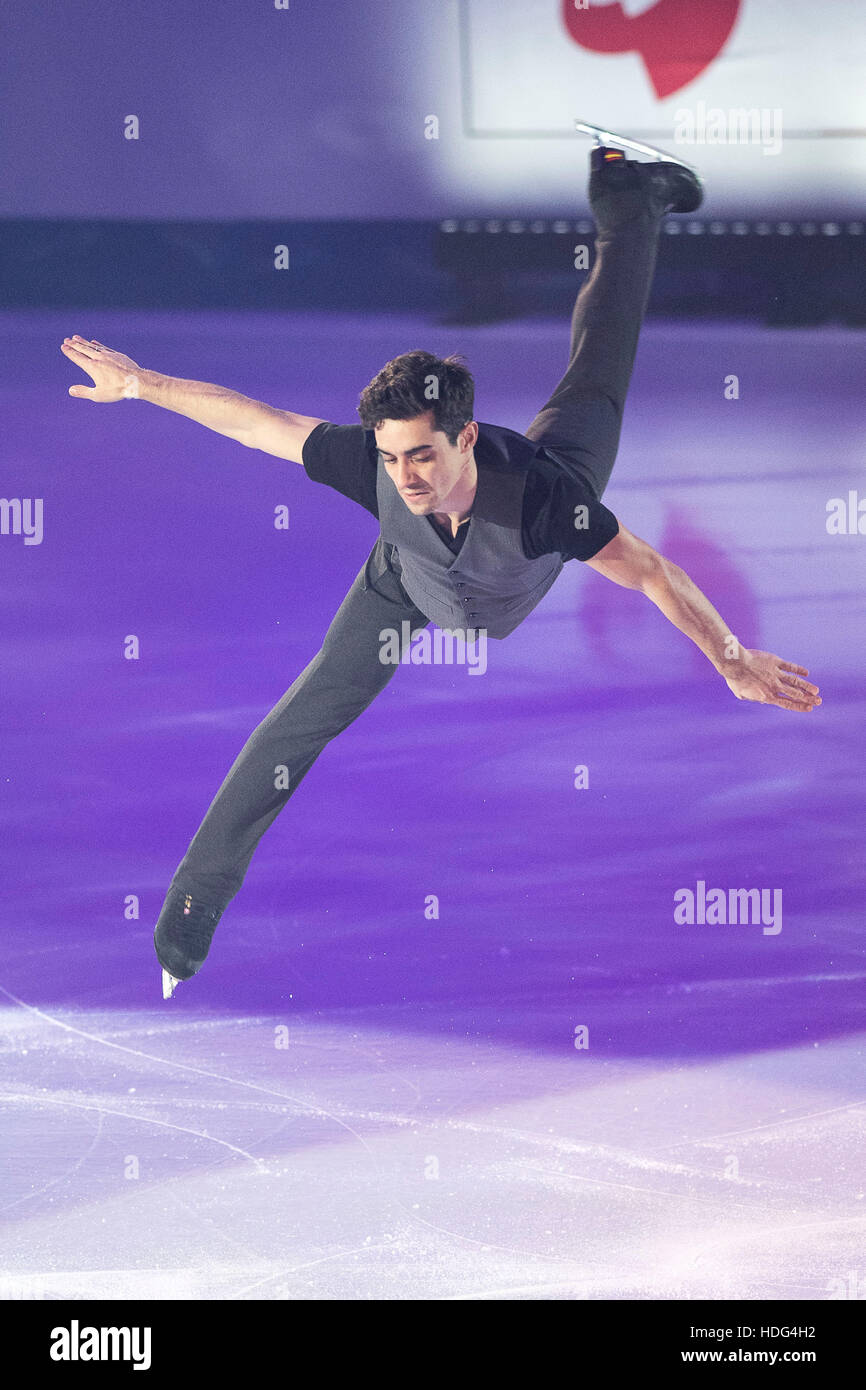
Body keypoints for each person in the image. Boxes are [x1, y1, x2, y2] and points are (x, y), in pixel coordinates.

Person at [60, 136, 821, 999]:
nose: (404, 477)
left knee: (599, 366)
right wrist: (140, 385)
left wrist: (732, 659)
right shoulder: (378, 467)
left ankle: (628, 194)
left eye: (421, 456)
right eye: (390, 460)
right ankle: (191, 911)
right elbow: (255, 422)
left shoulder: (543, 498)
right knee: (295, 724)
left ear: (463, 435)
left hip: (519, 541)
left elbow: (647, 569)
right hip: (405, 584)